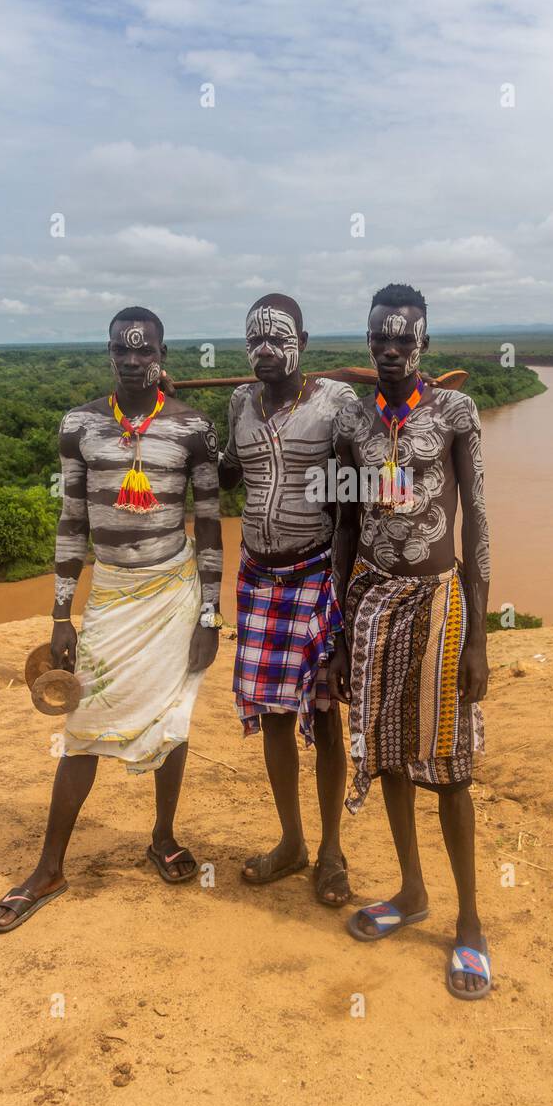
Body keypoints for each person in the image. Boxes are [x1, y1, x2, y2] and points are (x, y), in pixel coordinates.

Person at [0, 307, 222, 932]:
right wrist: (61, 613)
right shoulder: (80, 425)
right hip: (112, 595)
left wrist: (209, 614)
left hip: (175, 590)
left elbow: (208, 523)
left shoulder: (194, 427)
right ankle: (49, 868)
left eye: (145, 351)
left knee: (173, 719)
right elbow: (72, 522)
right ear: (109, 352)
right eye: (123, 349)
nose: (134, 360)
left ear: (162, 353)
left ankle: (163, 837)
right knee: (84, 726)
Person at [327, 283, 492, 997]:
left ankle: (471, 923)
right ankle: (411, 890)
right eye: (380, 341)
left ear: (424, 345)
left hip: (440, 603)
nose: (391, 351)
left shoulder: (456, 413)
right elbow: (341, 529)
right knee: (392, 756)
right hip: (374, 603)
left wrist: (480, 634)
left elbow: (477, 522)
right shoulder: (352, 423)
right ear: (369, 344)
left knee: (451, 768)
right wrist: (338, 630)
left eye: (404, 340)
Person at [219, 294, 354, 906]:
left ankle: (331, 851)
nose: (264, 350)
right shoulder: (239, 404)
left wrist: (409, 396)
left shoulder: (336, 404)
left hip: (316, 573)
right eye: (254, 341)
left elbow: (366, 484)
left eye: (277, 338)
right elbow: (224, 476)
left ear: (304, 339)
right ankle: (292, 842)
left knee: (324, 714)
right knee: (273, 713)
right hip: (257, 578)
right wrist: (165, 400)